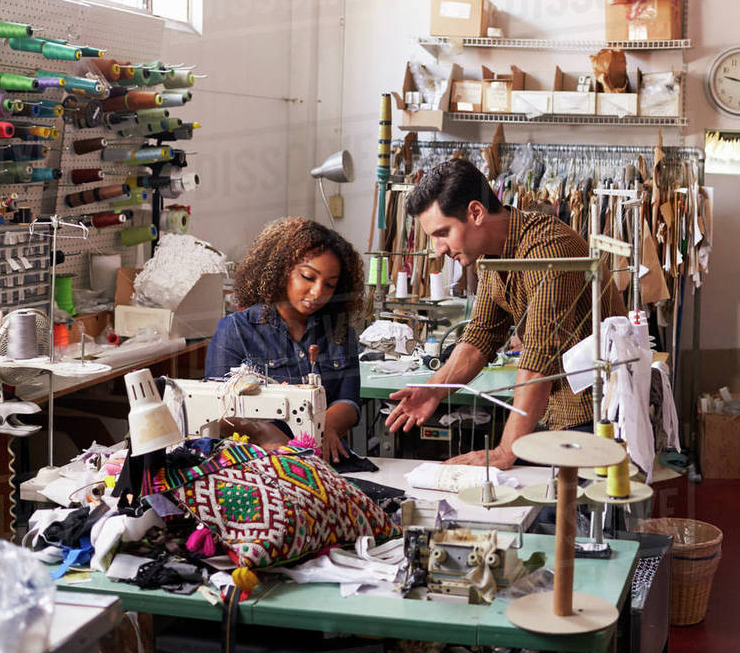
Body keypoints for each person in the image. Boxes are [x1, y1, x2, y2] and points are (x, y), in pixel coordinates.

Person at [384, 158, 626, 469]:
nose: (438, 249)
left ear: (476, 212)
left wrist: (503, 452)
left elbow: (540, 357)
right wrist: (433, 390)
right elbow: (481, 336)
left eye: (443, 232)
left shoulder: (548, 249)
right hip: (558, 415)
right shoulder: (491, 256)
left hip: (600, 416)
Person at [205, 217, 364, 465]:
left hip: (325, 460)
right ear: (282, 270)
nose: (318, 293)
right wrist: (263, 432)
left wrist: (324, 426)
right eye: (308, 277)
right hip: (259, 463)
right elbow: (217, 408)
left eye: (330, 285)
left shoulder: (339, 331)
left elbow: (349, 402)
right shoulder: (236, 330)